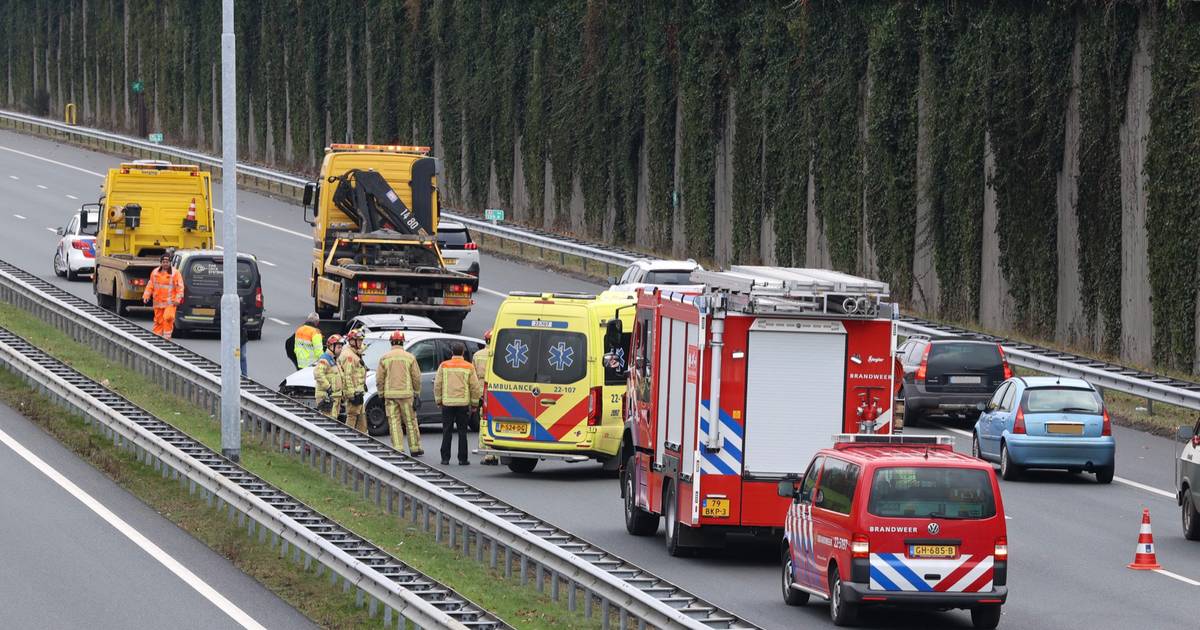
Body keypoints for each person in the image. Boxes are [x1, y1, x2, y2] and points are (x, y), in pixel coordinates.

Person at [375, 331, 423, 455]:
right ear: (402, 342)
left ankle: (398, 448)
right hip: (406, 396)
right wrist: (417, 393)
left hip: (390, 396)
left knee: (394, 422)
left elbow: (379, 378)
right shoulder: (410, 357)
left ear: (391, 342)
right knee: (410, 421)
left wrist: (381, 393)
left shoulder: (384, 358)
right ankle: (415, 448)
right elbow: (416, 377)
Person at [435, 341, 481, 466]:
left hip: (447, 403)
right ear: (463, 352)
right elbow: (475, 387)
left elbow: (438, 384)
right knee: (462, 432)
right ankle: (462, 459)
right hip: (462, 404)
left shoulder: (444, 365)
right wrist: (475, 404)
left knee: (447, 431)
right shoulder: (468, 367)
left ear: (451, 352)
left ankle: (445, 459)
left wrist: (439, 400)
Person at [142, 253, 184, 339]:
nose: (165, 264)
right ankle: (156, 339)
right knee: (158, 321)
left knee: (168, 318)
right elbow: (150, 285)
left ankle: (166, 338)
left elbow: (180, 287)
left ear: (170, 263)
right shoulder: (155, 272)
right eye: (163, 262)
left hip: (170, 303)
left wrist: (178, 300)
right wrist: (146, 295)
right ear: (161, 262)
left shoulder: (175, 273)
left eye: (167, 262)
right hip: (158, 303)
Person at [473, 329, 497, 465]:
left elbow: (473, 376)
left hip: (481, 391)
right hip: (495, 392)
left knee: (484, 420)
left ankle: (485, 450)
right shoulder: (498, 353)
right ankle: (494, 453)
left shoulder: (477, 355)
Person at [339, 328, 368, 433]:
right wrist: (351, 395)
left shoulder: (355, 353)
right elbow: (347, 376)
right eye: (359, 340)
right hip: (354, 393)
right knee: (352, 417)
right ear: (352, 341)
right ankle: (347, 439)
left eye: (361, 340)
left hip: (359, 391)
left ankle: (363, 438)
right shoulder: (349, 356)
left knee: (361, 417)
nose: (361, 342)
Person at [313, 335, 345, 420]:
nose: (341, 349)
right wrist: (328, 387)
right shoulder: (325, 359)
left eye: (341, 347)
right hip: (326, 396)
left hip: (335, 396)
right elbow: (318, 373)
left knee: (333, 420)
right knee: (329, 421)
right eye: (338, 347)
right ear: (331, 347)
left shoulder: (335, 359)